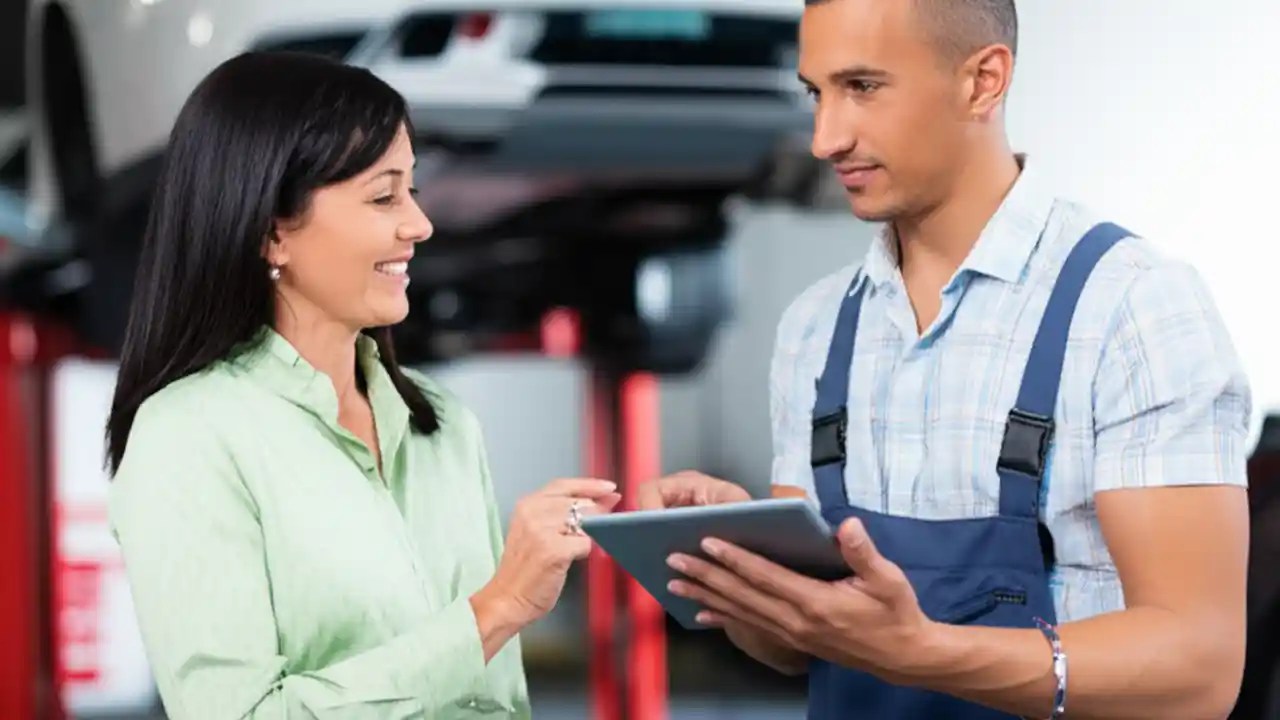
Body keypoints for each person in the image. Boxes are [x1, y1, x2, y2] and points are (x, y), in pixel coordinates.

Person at [639, 0, 1252, 718]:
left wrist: (920, 652)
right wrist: (742, 569)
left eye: (862, 87)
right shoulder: (817, 327)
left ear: (983, 82)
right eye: (817, 93)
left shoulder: (1132, 308)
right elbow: (796, 646)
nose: (825, 138)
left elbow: (1199, 668)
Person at [105, 51, 620, 719]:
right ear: (272, 234)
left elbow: (499, 702)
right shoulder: (190, 436)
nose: (419, 225)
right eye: (383, 196)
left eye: (413, 190)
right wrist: (495, 611)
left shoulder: (445, 423)